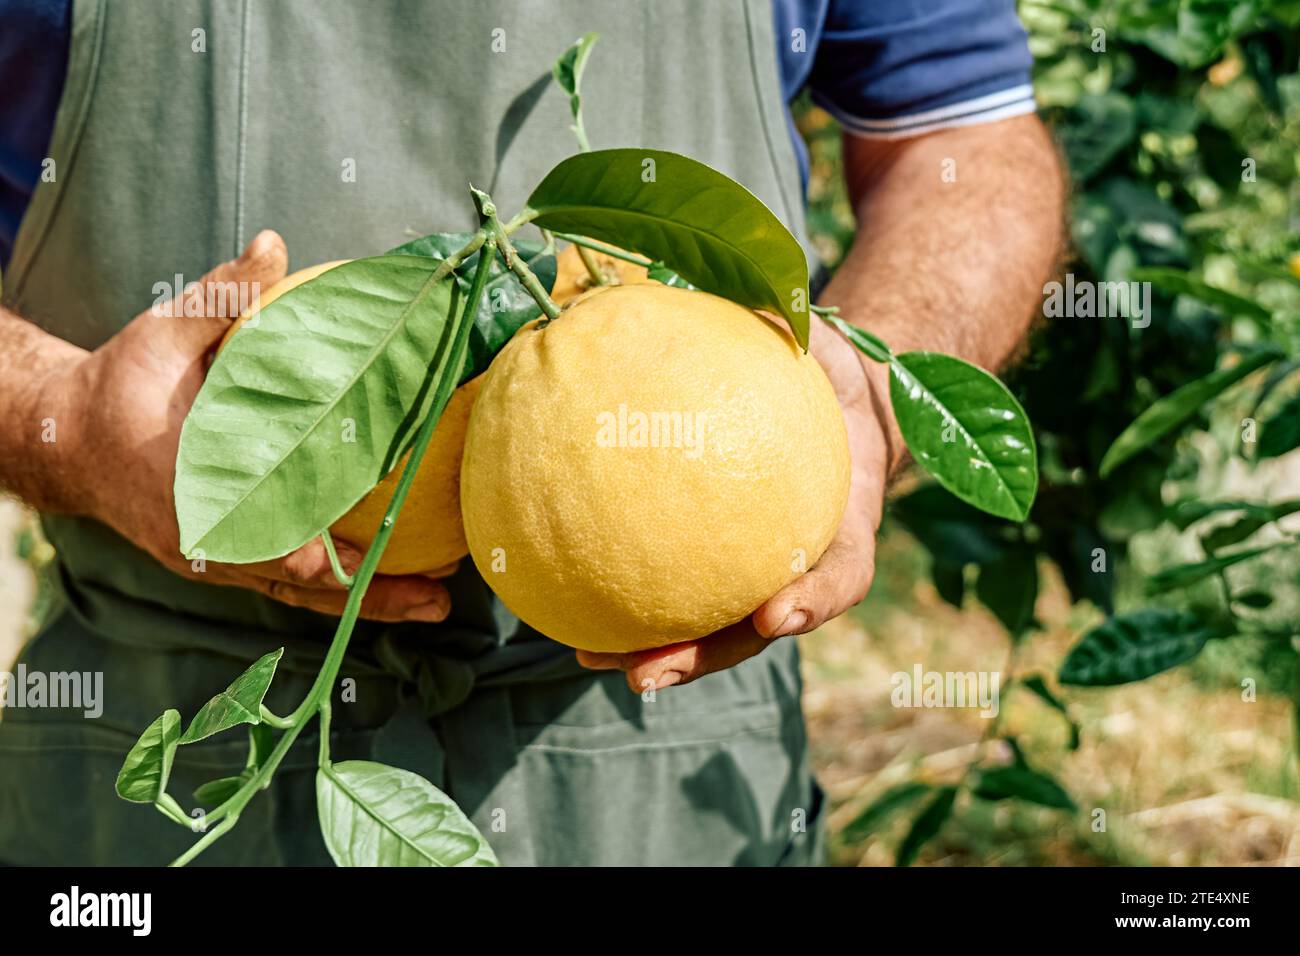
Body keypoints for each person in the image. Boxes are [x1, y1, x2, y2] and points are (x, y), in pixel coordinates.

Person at [0, 0, 1063, 865]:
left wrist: (864, 400)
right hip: (168, 741)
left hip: (673, 767)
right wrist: (65, 415)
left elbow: (960, 131)